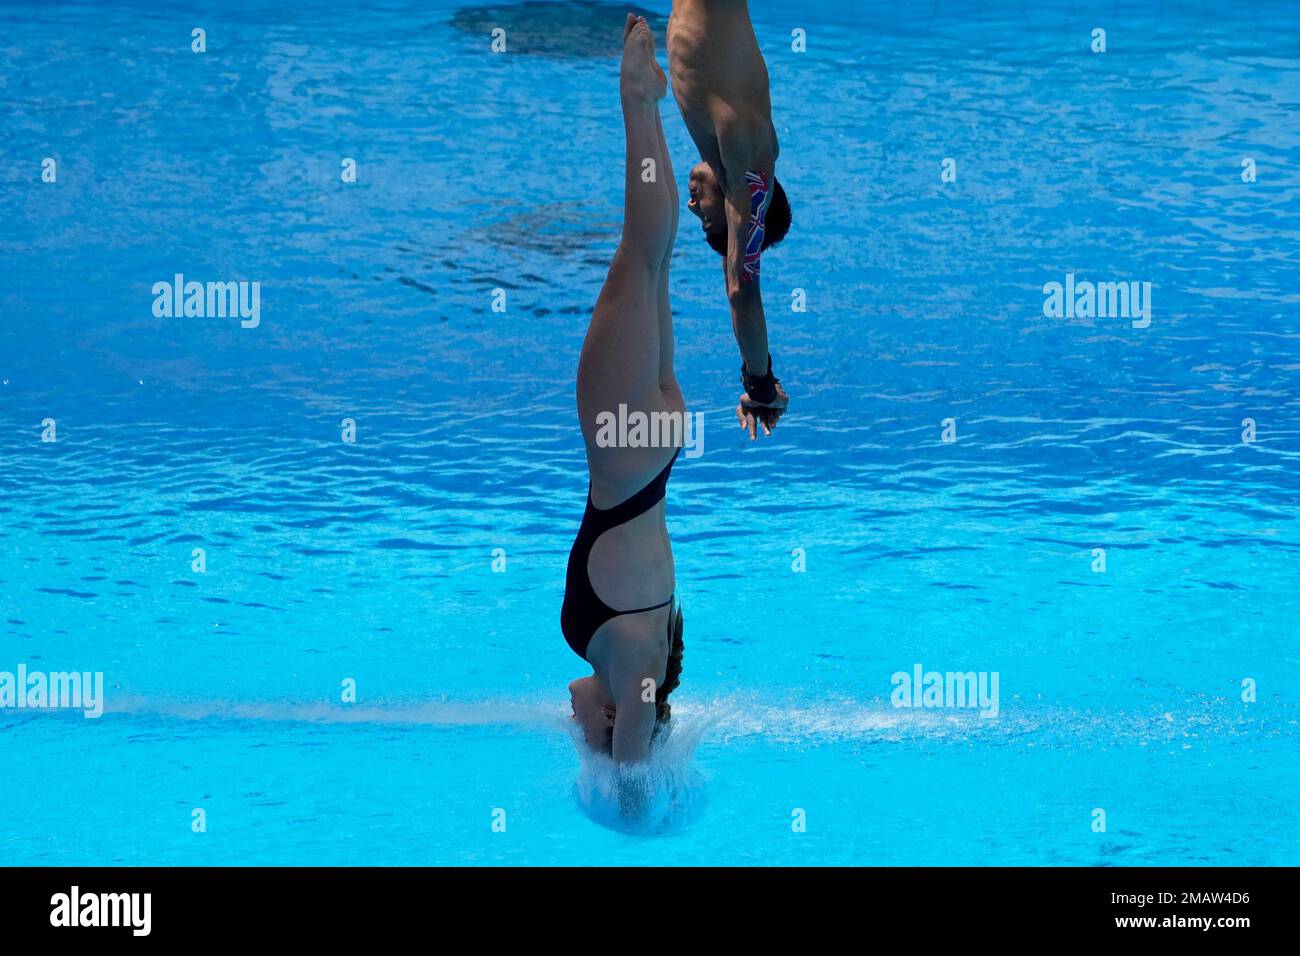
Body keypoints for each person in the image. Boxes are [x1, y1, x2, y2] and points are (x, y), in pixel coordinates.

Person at [562, 14, 685, 768]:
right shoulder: (634, 675)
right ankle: (638, 100)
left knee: (654, 259)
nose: (569, 727)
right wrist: (621, 775)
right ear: (613, 728)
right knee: (640, 253)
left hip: (653, 453)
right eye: (588, 738)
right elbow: (633, 786)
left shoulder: (644, 655)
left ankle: (647, 106)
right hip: (623, 452)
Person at [668, 0, 791, 440]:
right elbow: (741, 286)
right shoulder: (751, 157)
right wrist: (758, 382)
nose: (692, 209)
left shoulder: (726, 147)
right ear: (737, 213)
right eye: (708, 224)